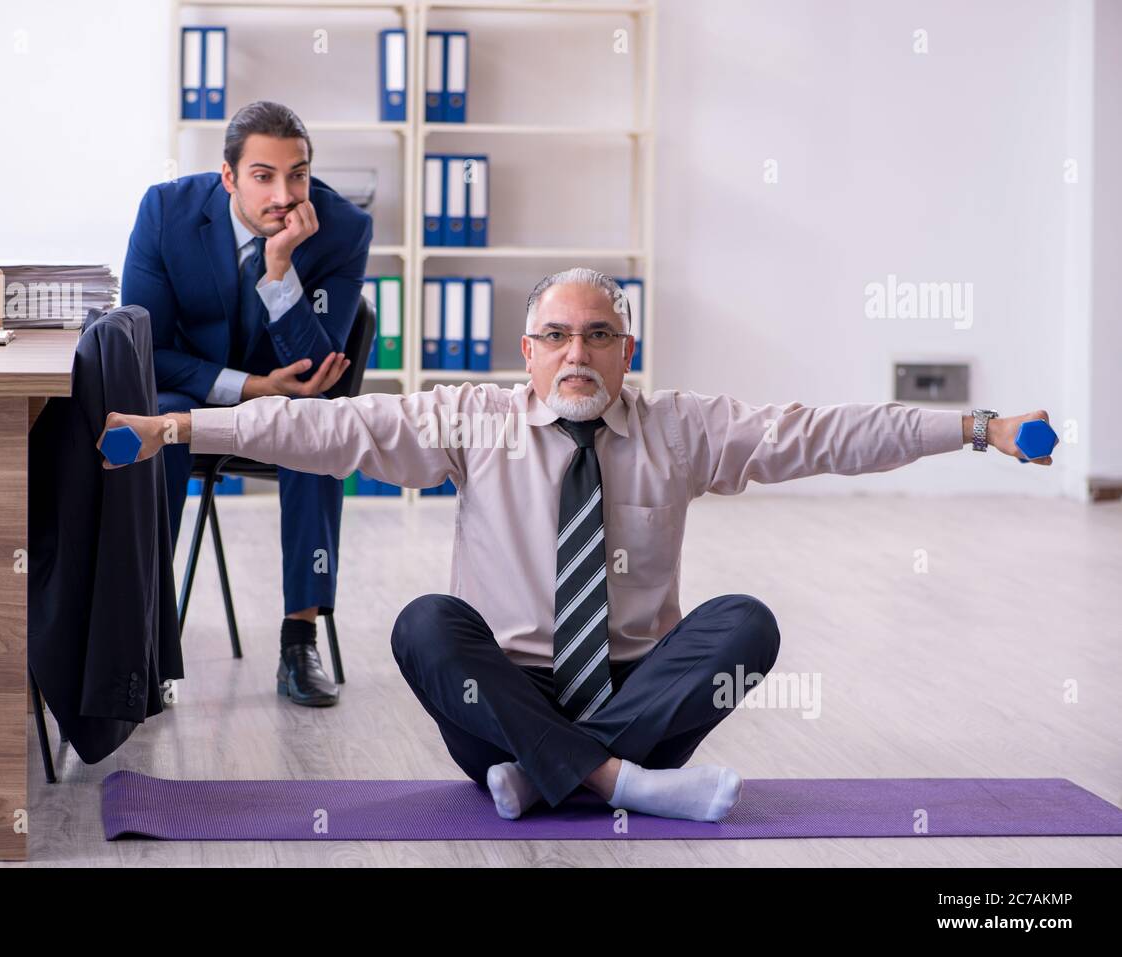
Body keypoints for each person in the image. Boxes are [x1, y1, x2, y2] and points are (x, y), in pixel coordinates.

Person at [99, 267, 1055, 822]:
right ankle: (621, 783)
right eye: (556, 336)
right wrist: (178, 432)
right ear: (527, 354)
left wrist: (977, 426)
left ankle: (562, 770)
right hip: (498, 705)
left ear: (625, 350)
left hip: (636, 692)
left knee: (745, 623)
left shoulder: (681, 425)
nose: (577, 354)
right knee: (426, 623)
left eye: (599, 336)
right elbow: (327, 431)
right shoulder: (473, 420)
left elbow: (827, 433)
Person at [122, 100, 371, 707]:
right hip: (190, 387)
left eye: (299, 174)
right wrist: (252, 387)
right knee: (160, 425)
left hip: (289, 400)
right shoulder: (167, 211)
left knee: (317, 430)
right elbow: (144, 347)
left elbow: (319, 371)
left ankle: (298, 641)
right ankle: (142, 641)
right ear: (229, 177)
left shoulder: (340, 229)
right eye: (264, 176)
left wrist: (280, 269)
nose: (284, 195)